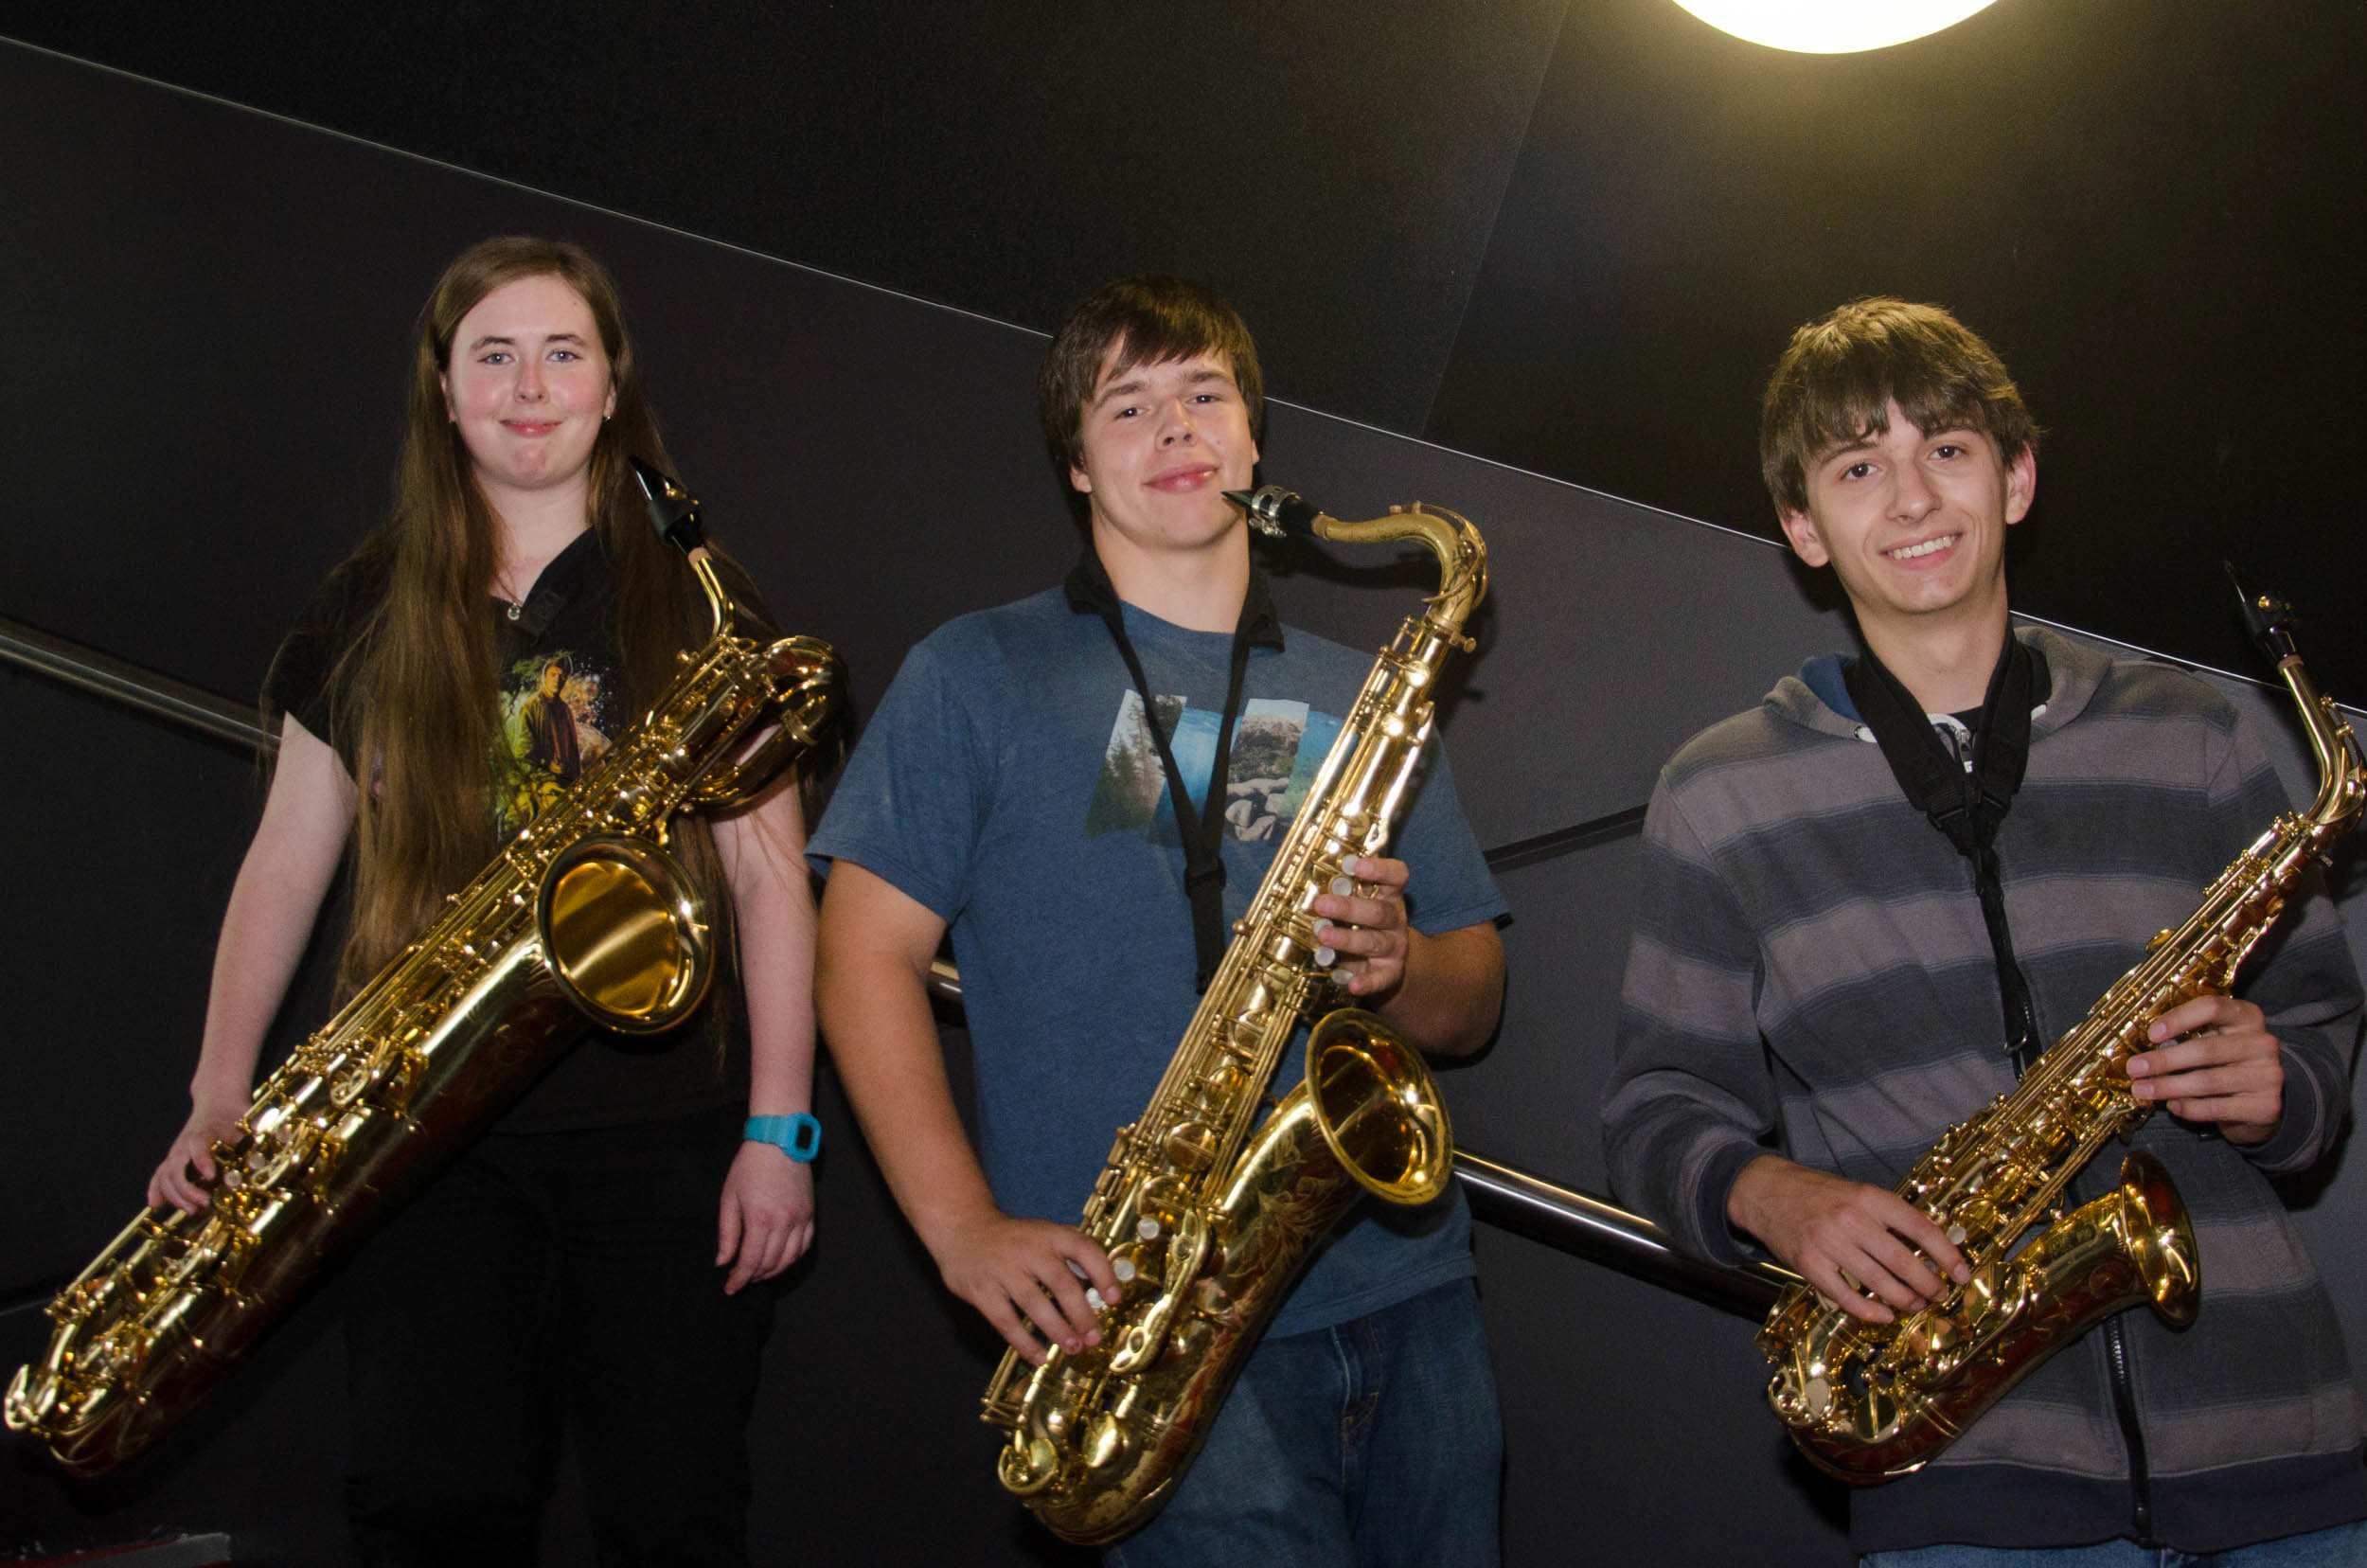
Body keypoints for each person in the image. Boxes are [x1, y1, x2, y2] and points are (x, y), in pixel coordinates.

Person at [1602, 296, 2367, 1563]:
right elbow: (1654, 1108)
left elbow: (2319, 1045)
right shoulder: (1721, 792)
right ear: (1800, 526)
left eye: (1947, 451)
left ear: (2015, 479)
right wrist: (1776, 1196)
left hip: (2281, 1451)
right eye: (1858, 468)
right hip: (1965, 1473)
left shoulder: (2200, 737)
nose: (1911, 501)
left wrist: (2279, 1081)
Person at [810, 276, 1508, 1565]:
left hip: (1408, 1295)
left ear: (1253, 442)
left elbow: (1472, 1000)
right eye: (1126, 406)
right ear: (1077, 466)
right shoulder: (979, 673)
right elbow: (860, 955)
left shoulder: (1361, 694)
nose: (1176, 430)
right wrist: (959, 1228)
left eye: (1204, 396)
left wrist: (1402, 966)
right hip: (1145, 1320)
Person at [145, 236, 819, 1567]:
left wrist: (782, 1131)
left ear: (611, 388)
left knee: (676, 1512)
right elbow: (284, 861)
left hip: (665, 1130)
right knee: (431, 1505)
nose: (529, 386)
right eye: (492, 356)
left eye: (563, 353)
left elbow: (769, 878)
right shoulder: (370, 603)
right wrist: (219, 1090)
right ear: (443, 395)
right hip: (421, 1138)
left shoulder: (700, 599)